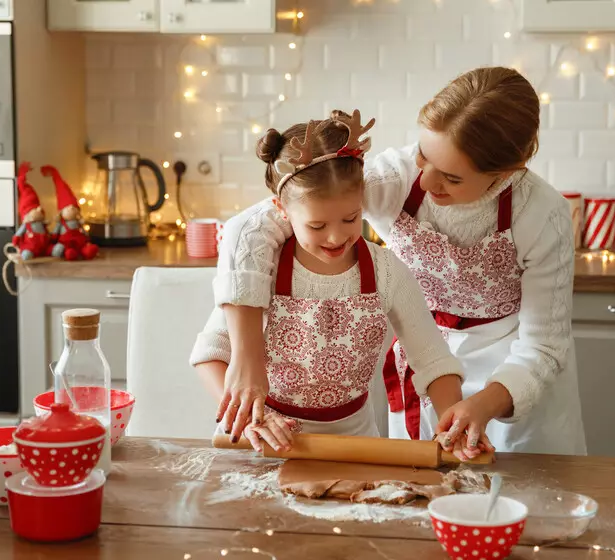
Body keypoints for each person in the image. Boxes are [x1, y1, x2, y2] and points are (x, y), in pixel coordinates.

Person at [211, 67, 587, 459]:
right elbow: (253, 225)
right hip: (428, 368)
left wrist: (484, 405)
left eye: (452, 178)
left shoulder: (542, 214)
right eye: (423, 155)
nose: (424, 182)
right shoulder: (395, 177)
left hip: (513, 375)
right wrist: (248, 359)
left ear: (508, 170)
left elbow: (544, 346)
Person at [189, 110, 467, 453]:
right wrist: (249, 417)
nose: (336, 237)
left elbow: (434, 360)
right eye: (317, 226)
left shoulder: (387, 272)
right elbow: (210, 354)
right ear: (282, 210)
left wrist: (454, 423)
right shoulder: (264, 269)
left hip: (355, 446)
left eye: (350, 218)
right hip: (267, 444)